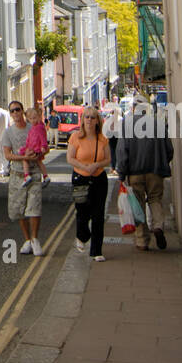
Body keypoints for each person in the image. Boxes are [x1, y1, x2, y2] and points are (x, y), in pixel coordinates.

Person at [115, 108, 174, 250]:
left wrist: (122, 174)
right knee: (155, 199)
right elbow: (169, 149)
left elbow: (122, 151)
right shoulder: (158, 124)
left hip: (135, 173)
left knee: (138, 206)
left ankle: (142, 241)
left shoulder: (127, 124)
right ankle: (158, 226)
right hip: (155, 172)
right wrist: (162, 163)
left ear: (134, 109)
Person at [1, 100, 48, 255]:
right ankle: (27, 240)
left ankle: (35, 240)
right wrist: (23, 157)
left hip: (34, 172)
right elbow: (7, 155)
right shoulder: (8, 133)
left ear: (22, 111)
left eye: (18, 110)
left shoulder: (33, 127)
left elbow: (44, 148)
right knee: (20, 210)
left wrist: (36, 155)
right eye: (12, 111)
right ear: (10, 114)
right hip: (17, 175)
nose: (15, 113)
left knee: (34, 208)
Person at [67, 105, 111, 261]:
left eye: (93, 118)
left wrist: (96, 165)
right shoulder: (75, 137)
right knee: (82, 211)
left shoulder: (102, 139)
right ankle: (82, 235)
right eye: (87, 117)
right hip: (80, 178)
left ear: (97, 121)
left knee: (98, 214)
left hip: (99, 178)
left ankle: (97, 251)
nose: (89, 120)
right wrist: (84, 166)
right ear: (82, 119)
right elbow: (70, 158)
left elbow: (108, 159)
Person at [19, 106, 51, 187]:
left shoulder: (39, 127)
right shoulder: (34, 127)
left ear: (38, 117)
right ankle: (45, 176)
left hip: (36, 148)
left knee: (25, 159)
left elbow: (43, 137)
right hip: (33, 147)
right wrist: (27, 146)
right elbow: (29, 139)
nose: (33, 120)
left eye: (34, 118)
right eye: (31, 119)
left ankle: (26, 176)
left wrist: (43, 146)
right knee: (39, 161)